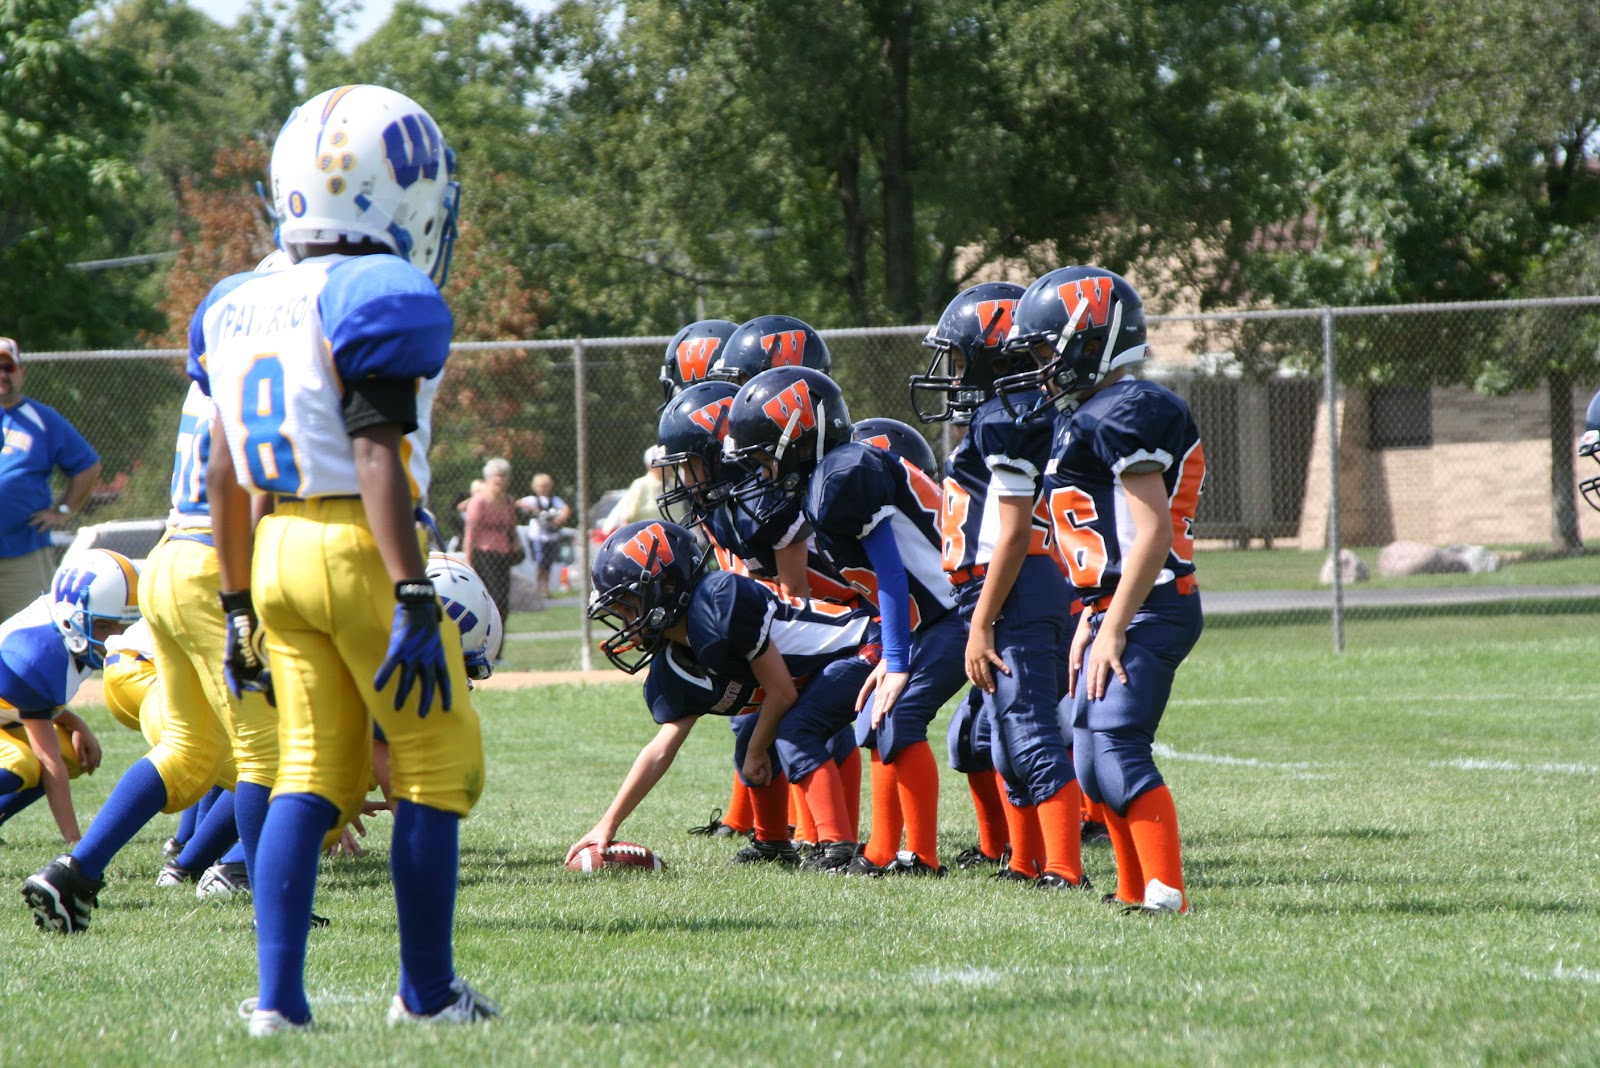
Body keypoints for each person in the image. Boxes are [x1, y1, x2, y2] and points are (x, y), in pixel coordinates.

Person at [201, 83, 493, 1034]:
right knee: (438, 765)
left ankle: (277, 1001)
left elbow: (220, 466)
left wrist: (237, 598)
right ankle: (428, 993)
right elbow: (376, 448)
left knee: (309, 772)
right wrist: (411, 587)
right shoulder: (376, 294)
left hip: (274, 549)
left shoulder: (240, 301)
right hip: (355, 545)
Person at [21, 259, 286, 936]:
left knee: (190, 752)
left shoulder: (223, 360)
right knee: (266, 750)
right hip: (215, 563)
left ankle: (75, 872)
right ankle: (263, 898)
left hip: (169, 559)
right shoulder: (281, 359)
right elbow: (262, 481)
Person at [999, 265, 1206, 914]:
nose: (1037, 367)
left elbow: (1149, 531)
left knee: (1115, 738)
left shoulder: (1129, 408)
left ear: (1090, 342)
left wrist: (1113, 620)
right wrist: (1092, 614)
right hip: (1114, 606)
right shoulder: (1087, 413)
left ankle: (1167, 892)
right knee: (1086, 748)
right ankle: (1132, 886)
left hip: (1151, 603)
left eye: (1043, 351)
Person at [725, 367, 968, 877]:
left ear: (797, 436)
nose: (763, 471)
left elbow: (892, 576)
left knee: (902, 720)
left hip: (956, 610)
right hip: (928, 619)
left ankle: (920, 856)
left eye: (765, 456)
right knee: (879, 724)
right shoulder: (825, 478)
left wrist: (896, 660)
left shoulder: (843, 473)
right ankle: (882, 853)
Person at [569, 520, 878, 872]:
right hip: (819, 671)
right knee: (751, 737)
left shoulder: (717, 603)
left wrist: (759, 750)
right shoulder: (674, 661)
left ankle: (836, 848)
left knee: (795, 731)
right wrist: (608, 823)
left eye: (628, 606)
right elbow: (660, 750)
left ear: (667, 586)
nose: (625, 623)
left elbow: (781, 692)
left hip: (863, 647)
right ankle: (772, 842)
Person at [918, 281, 1090, 890]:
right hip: (1005, 587)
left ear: (996, 355)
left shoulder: (1010, 417)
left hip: (1012, 588)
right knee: (999, 738)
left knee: (1030, 734)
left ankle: (1064, 869)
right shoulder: (1011, 414)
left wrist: (980, 620)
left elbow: (1013, 534)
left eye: (962, 358)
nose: (954, 373)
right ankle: (1024, 861)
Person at [3, 550, 138, 862]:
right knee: (21, 762)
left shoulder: (66, 632)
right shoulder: (35, 655)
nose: (114, 639)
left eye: (123, 627)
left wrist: (78, 725)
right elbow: (49, 763)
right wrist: (77, 843)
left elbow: (30, 701)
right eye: (105, 627)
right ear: (69, 620)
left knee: (71, 754)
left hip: (7, 715)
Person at [0, 336, 103, 621]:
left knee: (25, 637)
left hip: (23, 557)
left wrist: (63, 510)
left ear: (21, 372)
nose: (1, 375)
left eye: (7, 367)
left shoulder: (42, 419)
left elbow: (88, 467)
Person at [461, 458, 521, 649]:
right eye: (497, 476)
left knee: (503, 604)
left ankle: (498, 650)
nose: (500, 480)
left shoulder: (508, 501)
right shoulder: (479, 502)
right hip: (483, 557)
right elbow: (470, 533)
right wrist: (468, 561)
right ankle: (480, 646)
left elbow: (512, 526)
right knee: (487, 603)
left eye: (504, 476)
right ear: (488, 478)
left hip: (503, 556)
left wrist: (517, 544)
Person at [516, 473, 571, 603]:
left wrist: (560, 519)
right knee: (541, 562)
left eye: (546, 486)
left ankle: (545, 589)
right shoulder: (533, 499)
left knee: (548, 563)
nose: (543, 489)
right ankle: (538, 587)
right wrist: (533, 509)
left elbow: (566, 509)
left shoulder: (554, 500)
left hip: (552, 536)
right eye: (540, 486)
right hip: (538, 536)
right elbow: (517, 503)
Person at [599, 445, 671, 535]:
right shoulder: (640, 485)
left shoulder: (676, 483)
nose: (668, 467)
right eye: (663, 464)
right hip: (649, 539)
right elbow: (628, 519)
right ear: (651, 466)